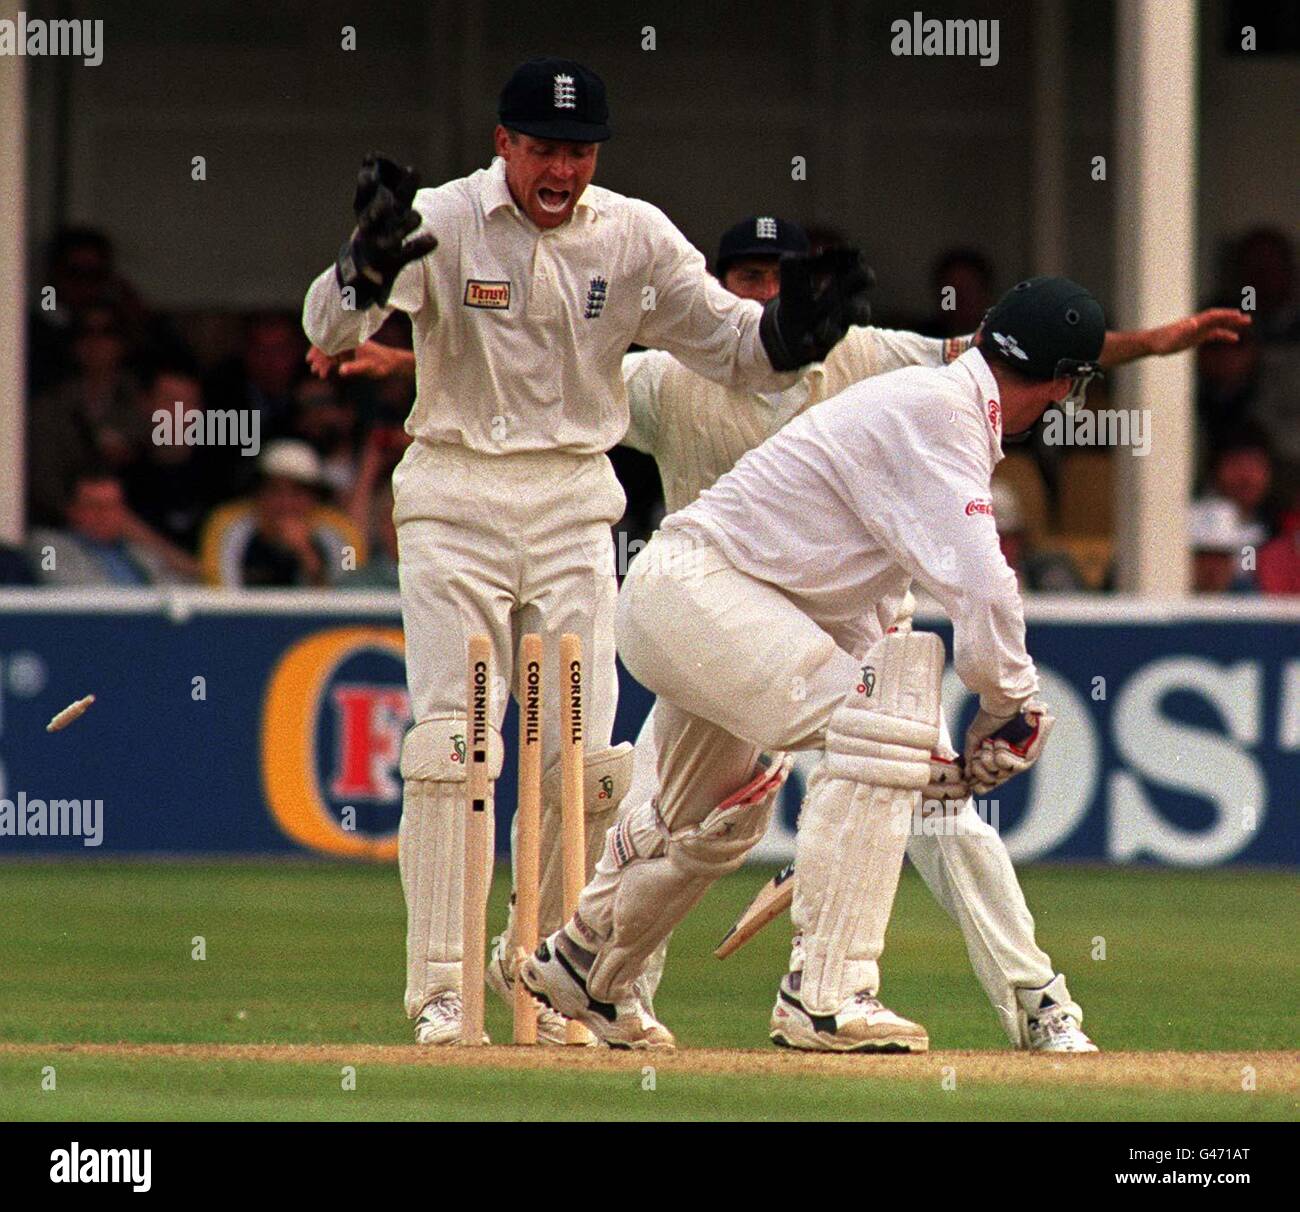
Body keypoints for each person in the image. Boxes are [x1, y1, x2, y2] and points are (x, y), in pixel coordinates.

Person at [301, 57, 872, 1047]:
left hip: (573, 502)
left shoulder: (633, 234)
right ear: (504, 145)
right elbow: (325, 332)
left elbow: (730, 343)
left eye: (576, 152)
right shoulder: (442, 216)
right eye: (542, 150)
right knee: (453, 746)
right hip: (454, 494)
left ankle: (580, 988)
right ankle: (443, 998)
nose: (559, 171)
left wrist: (790, 335)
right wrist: (361, 264)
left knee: (590, 767)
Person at [521, 277, 1112, 1052]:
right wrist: (1013, 705)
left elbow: (862, 605)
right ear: (1066, 383)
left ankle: (587, 962)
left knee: (717, 819)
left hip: (700, 600)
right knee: (877, 729)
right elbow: (983, 582)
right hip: (700, 592)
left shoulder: (928, 406)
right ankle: (826, 995)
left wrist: (924, 760)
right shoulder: (943, 417)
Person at [27, 469, 191, 588]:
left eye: (113, 506)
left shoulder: (138, 550)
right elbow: (56, 582)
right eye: (95, 506)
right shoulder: (47, 546)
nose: (105, 514)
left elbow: (175, 587)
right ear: (72, 510)